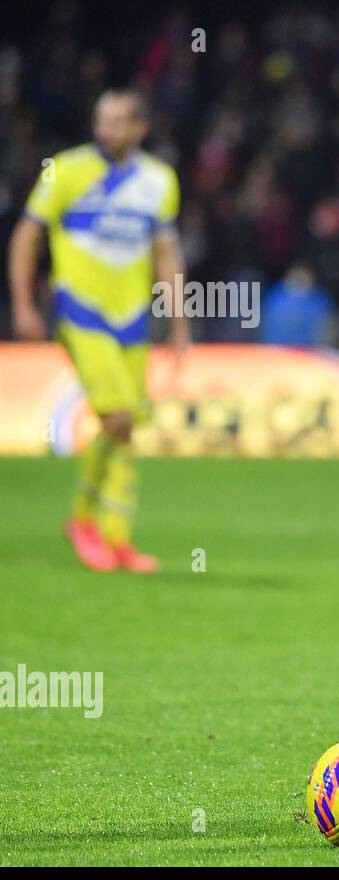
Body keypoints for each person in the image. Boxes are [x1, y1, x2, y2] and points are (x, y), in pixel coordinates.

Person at [8, 89, 188, 573]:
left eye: (115, 122)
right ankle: (84, 521)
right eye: (100, 120)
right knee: (119, 420)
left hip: (131, 316)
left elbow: (166, 254)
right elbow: (27, 234)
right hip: (79, 311)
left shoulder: (159, 180)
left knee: (129, 428)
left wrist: (179, 323)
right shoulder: (63, 169)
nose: (104, 130)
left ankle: (118, 539)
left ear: (139, 128)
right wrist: (24, 303)